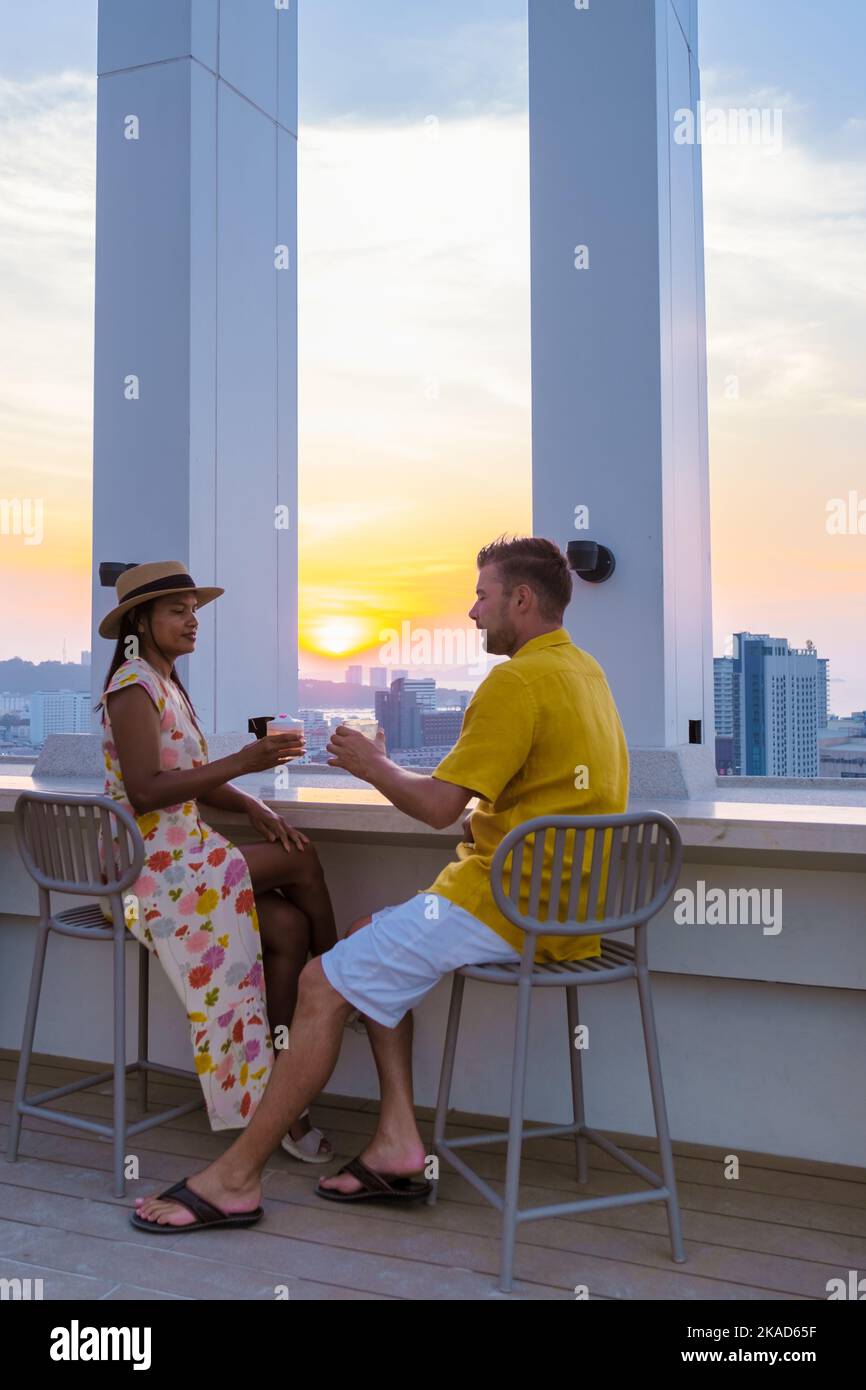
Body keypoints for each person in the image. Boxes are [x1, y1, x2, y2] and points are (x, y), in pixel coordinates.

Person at [130, 536, 629, 1231]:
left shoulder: (516, 681)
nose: (471, 609)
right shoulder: (586, 673)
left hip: (508, 905)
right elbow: (543, 794)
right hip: (577, 913)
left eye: (483, 594)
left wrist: (368, 764)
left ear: (521, 599)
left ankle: (234, 1178)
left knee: (320, 983)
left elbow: (435, 808)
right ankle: (397, 1145)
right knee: (367, 942)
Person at [96, 560, 337, 1162]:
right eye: (177, 610)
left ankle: (277, 1100)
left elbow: (188, 780)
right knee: (302, 862)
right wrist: (245, 762)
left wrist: (250, 803)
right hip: (148, 872)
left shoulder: (166, 684)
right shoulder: (133, 687)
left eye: (194, 609)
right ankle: (342, 981)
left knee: (287, 927)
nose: (192, 620)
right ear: (140, 622)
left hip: (185, 857)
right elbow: (149, 790)